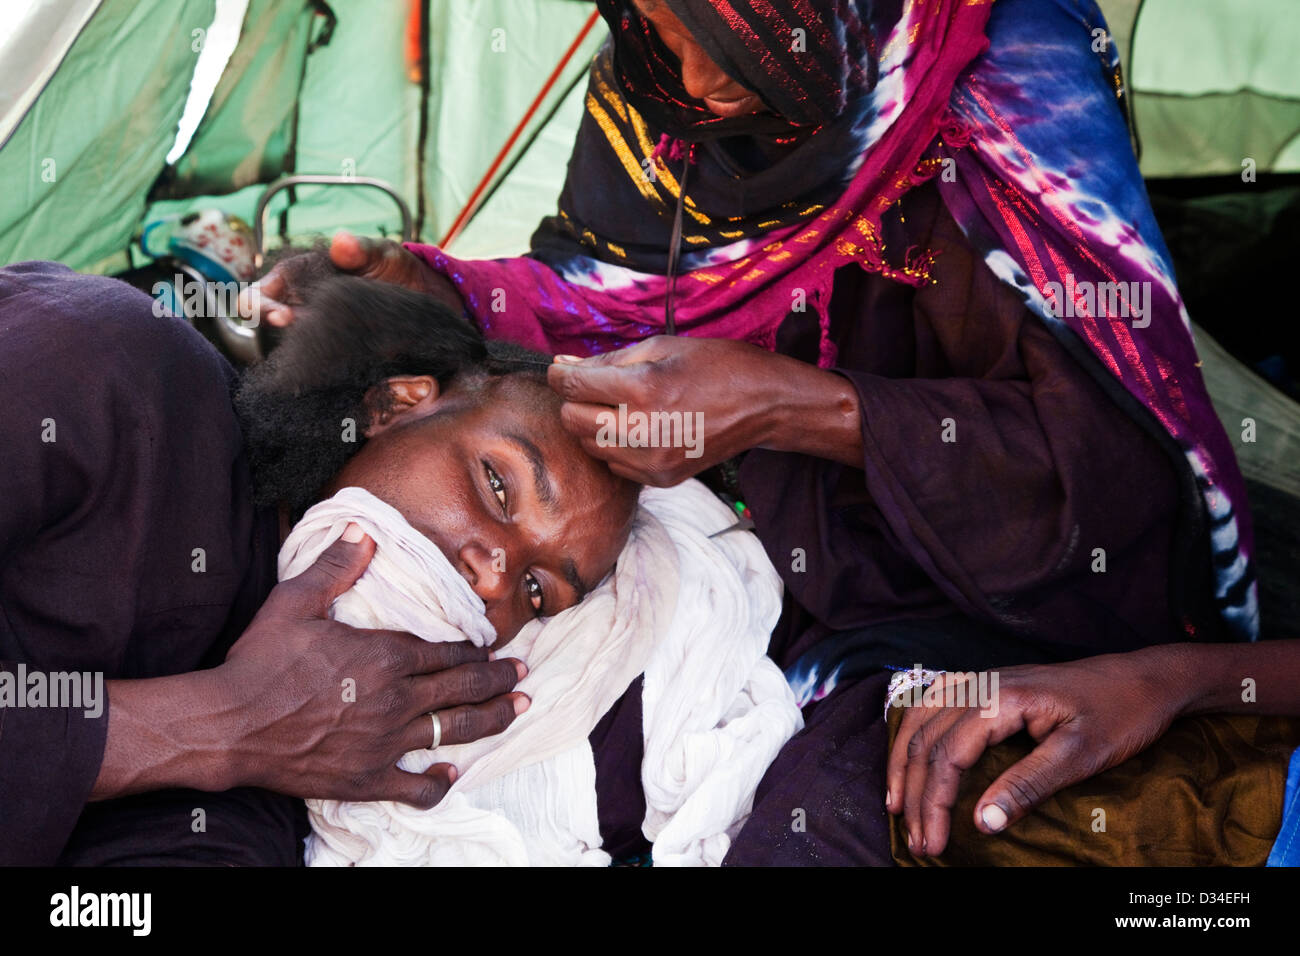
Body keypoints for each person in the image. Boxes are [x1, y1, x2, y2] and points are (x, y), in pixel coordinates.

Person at [242, 0, 1283, 864]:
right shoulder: (651, 93)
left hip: (999, 613)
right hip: (756, 568)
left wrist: (806, 407)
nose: (693, 82)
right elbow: (604, 308)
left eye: (723, 31)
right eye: (655, 21)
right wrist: (442, 293)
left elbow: (1119, 485)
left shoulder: (1011, 83)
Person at [0, 258, 637, 865]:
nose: (492, 575)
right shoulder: (110, 367)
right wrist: (227, 721)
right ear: (397, 406)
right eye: (498, 486)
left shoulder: (304, 767)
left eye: (535, 590)